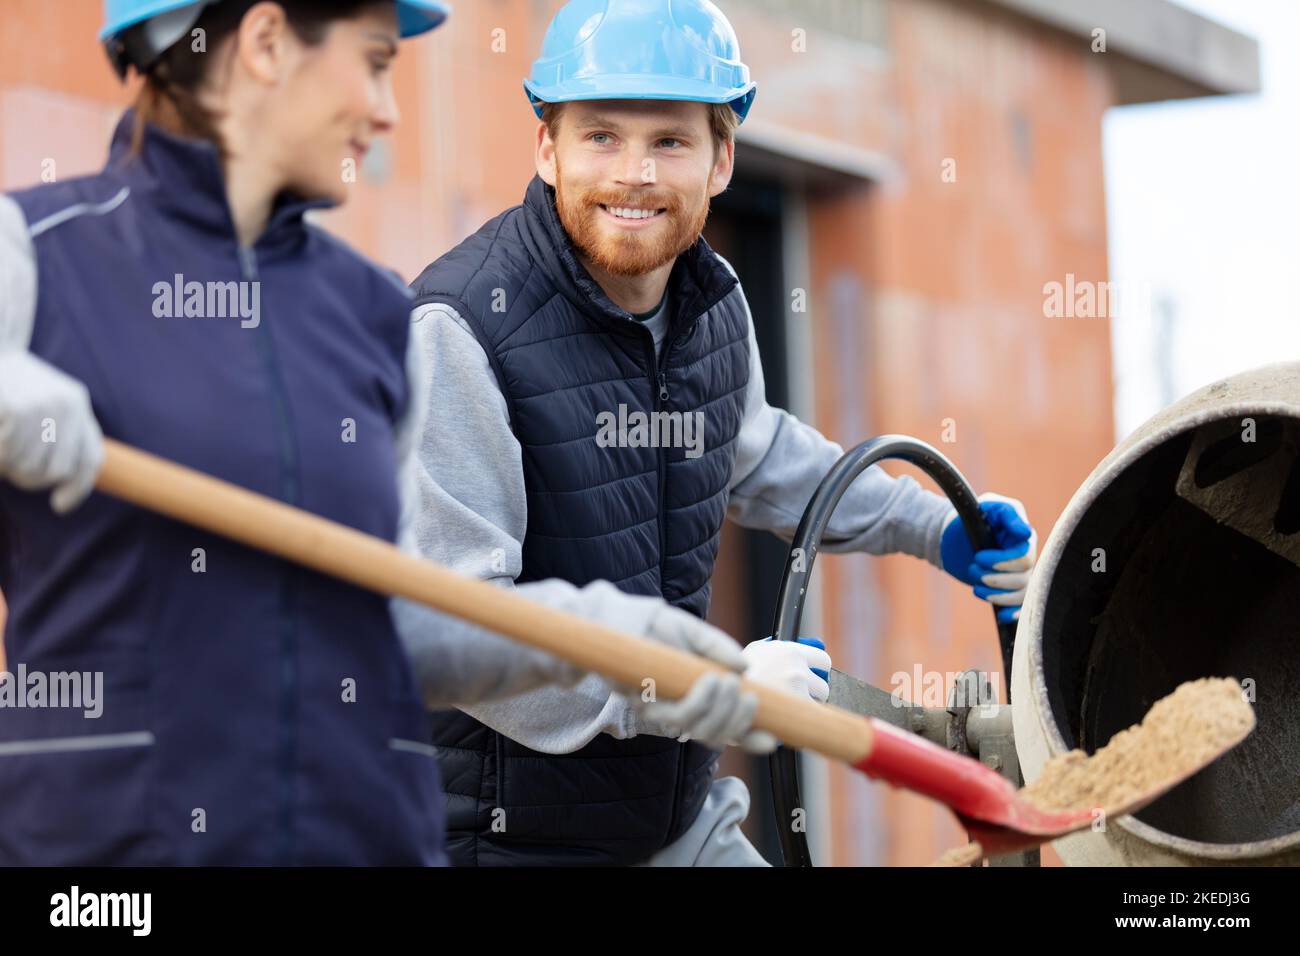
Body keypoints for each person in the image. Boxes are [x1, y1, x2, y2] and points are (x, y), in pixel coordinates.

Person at [0, 0, 774, 865]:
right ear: (263, 44)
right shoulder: (34, 254)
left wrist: (614, 641)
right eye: (373, 62)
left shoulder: (366, 308)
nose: (388, 109)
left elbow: (399, 625)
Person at [406, 0, 1039, 866]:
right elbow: (468, 631)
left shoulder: (713, 302)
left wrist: (936, 528)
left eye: (670, 140)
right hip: (507, 842)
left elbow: (759, 455)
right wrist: (710, 684)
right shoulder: (460, 330)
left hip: (675, 820)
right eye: (600, 136)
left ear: (721, 159)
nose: (634, 173)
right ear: (547, 148)